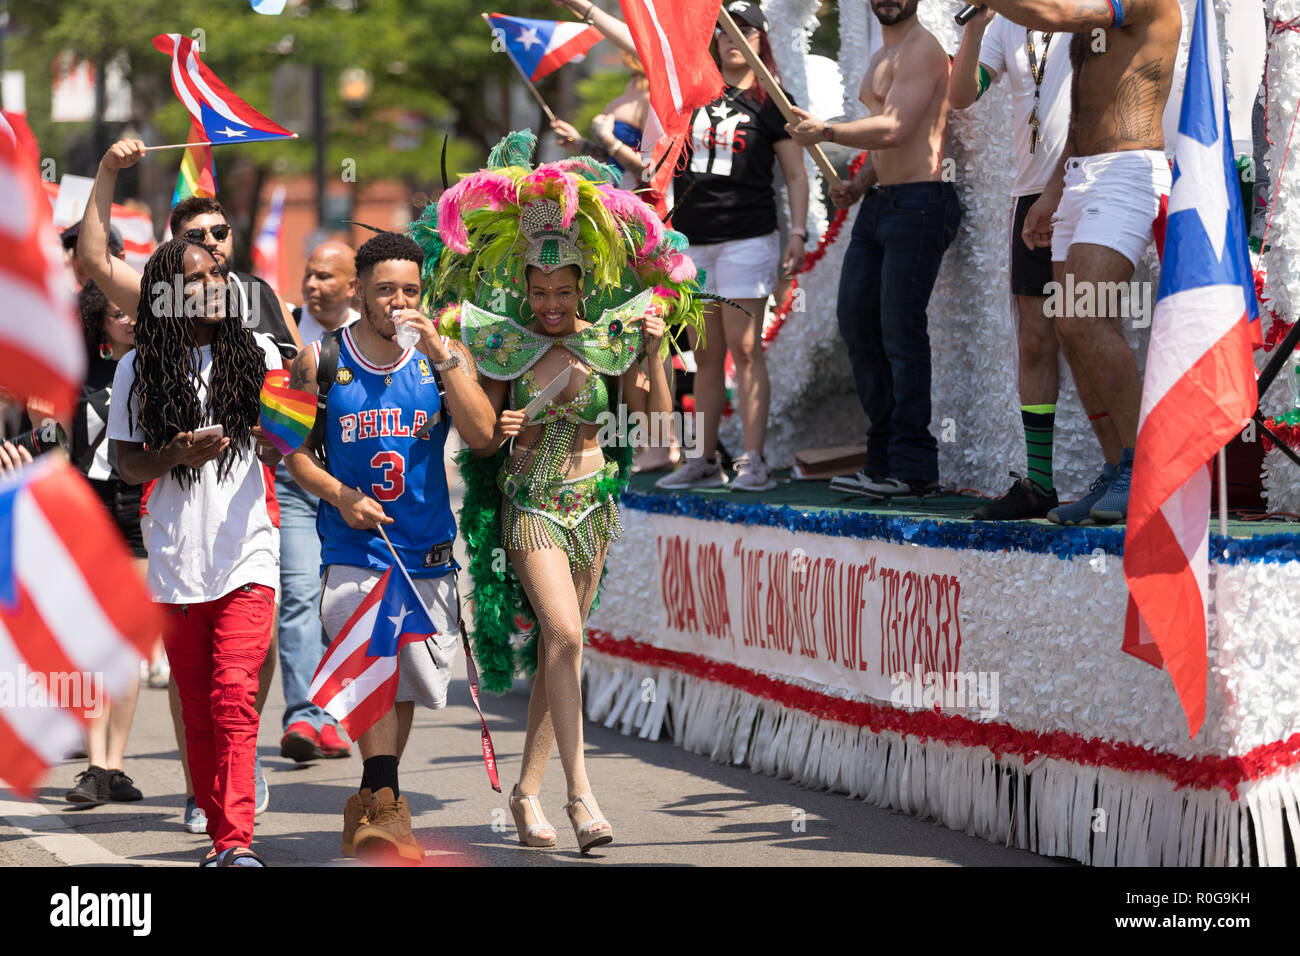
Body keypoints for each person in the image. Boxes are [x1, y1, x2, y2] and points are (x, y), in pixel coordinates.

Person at [416, 136, 702, 853]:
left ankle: (525, 792)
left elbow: (660, 425)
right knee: (566, 635)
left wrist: (657, 348)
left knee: (560, 646)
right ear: (525, 288)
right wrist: (501, 420)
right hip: (531, 503)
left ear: (582, 288)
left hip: (594, 501)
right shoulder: (505, 346)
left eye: (562, 292)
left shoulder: (611, 342)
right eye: (539, 292)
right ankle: (581, 795)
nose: (549, 304)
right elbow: (480, 439)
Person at [81, 138, 302, 810]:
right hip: (176, 502)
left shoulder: (261, 302)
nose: (212, 243)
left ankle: (238, 762)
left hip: (257, 492)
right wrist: (110, 170)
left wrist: (296, 424)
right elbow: (93, 258)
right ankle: (202, 785)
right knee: (198, 668)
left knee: (247, 653)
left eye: (220, 233)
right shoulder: (157, 311)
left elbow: (293, 414)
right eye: (196, 238)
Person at [284, 232, 497, 864]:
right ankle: (389, 805)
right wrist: (340, 494)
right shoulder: (318, 359)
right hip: (355, 545)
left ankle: (370, 798)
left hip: (426, 549)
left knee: (404, 684)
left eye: (410, 289)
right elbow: (291, 452)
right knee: (374, 667)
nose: (399, 301)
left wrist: (445, 356)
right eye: (385, 290)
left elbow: (483, 436)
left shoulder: (441, 357)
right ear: (359, 292)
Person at [107, 237, 284, 867]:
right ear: (165, 292)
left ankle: (236, 841)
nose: (214, 285)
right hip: (176, 565)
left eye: (221, 274)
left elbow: (286, 441)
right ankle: (218, 830)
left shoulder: (257, 351)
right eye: (198, 278)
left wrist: (281, 433)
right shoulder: (138, 367)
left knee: (234, 693)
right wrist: (172, 456)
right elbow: (127, 465)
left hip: (247, 555)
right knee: (199, 707)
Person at [982, 0, 1181, 524]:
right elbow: (1082, 109)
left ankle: (1149, 471)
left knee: (1086, 318)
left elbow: (1056, 14)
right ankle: (1118, 467)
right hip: (1079, 174)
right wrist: (1053, 190)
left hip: (1128, 171)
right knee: (1069, 329)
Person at [788, 0, 961, 499]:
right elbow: (885, 141)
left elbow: (896, 128)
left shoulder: (923, 48)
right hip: (881, 204)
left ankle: (913, 467)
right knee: (858, 324)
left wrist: (826, 130)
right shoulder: (882, 53)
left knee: (899, 332)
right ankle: (882, 459)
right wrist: (860, 182)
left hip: (922, 201)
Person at [651, 0, 808, 492]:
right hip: (696, 244)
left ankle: (754, 459)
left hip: (748, 238)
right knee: (704, 351)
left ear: (761, 39)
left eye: (744, 30)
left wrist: (799, 232)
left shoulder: (771, 99)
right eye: (724, 31)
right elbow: (644, 44)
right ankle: (702, 458)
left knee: (745, 348)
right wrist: (590, 11)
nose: (732, 38)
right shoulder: (695, 92)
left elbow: (797, 175)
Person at [949, 9, 1077, 519]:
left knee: (1089, 327)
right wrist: (976, 25)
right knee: (1035, 337)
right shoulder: (1004, 21)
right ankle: (1040, 484)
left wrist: (1059, 185)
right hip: (1030, 193)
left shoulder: (1083, 10)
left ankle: (1124, 470)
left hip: (1088, 179)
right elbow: (959, 96)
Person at [62, 284, 145, 808]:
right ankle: (93, 763)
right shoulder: (73, 374)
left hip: (138, 507)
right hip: (87, 506)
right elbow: (52, 443)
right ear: (98, 321)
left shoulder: (152, 367)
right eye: (119, 313)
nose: (129, 320)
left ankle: (115, 764)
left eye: (134, 311)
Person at [276, 241, 359, 762]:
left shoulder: (364, 336)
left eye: (327, 276)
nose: (313, 284)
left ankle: (335, 714)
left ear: (353, 285)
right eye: (309, 274)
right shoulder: (282, 324)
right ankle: (303, 716)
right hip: (295, 484)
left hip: (353, 488)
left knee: (343, 604)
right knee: (302, 594)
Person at [550, 49, 648, 191]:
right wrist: (579, 143)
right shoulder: (633, 88)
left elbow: (651, 172)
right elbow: (612, 161)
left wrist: (609, 140)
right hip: (616, 197)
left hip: (640, 203)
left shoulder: (648, 96)